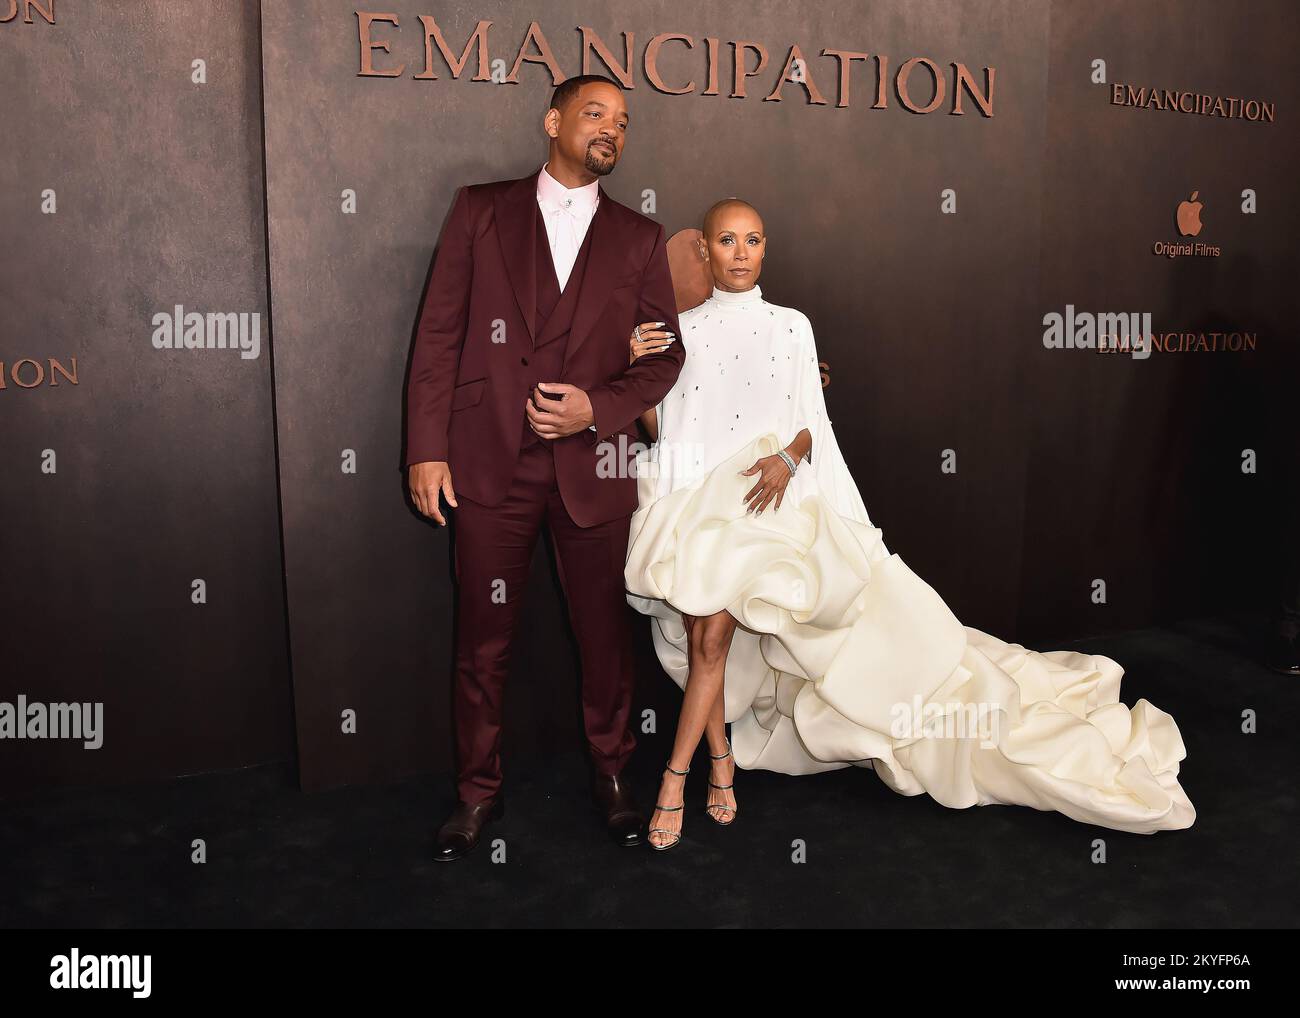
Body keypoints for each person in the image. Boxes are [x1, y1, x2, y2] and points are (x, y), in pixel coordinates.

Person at [624, 198, 1196, 850]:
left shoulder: (791, 326)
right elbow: (665, 431)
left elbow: (810, 420)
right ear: (706, 248)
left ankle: (677, 780)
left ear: (765, 247)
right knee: (711, 640)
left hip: (772, 505)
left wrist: (788, 457)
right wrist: (639, 367)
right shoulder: (681, 330)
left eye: (752, 239)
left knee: (712, 642)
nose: (741, 252)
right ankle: (716, 765)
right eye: (726, 240)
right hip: (708, 505)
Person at [405, 75, 685, 861]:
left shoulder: (639, 236)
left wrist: (595, 408)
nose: (612, 130)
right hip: (486, 463)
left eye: (623, 123)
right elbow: (437, 335)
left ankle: (615, 778)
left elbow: (666, 357)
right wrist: (426, 448)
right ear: (552, 121)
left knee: (604, 638)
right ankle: (475, 793)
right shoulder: (478, 210)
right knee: (482, 639)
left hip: (593, 467)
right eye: (596, 114)